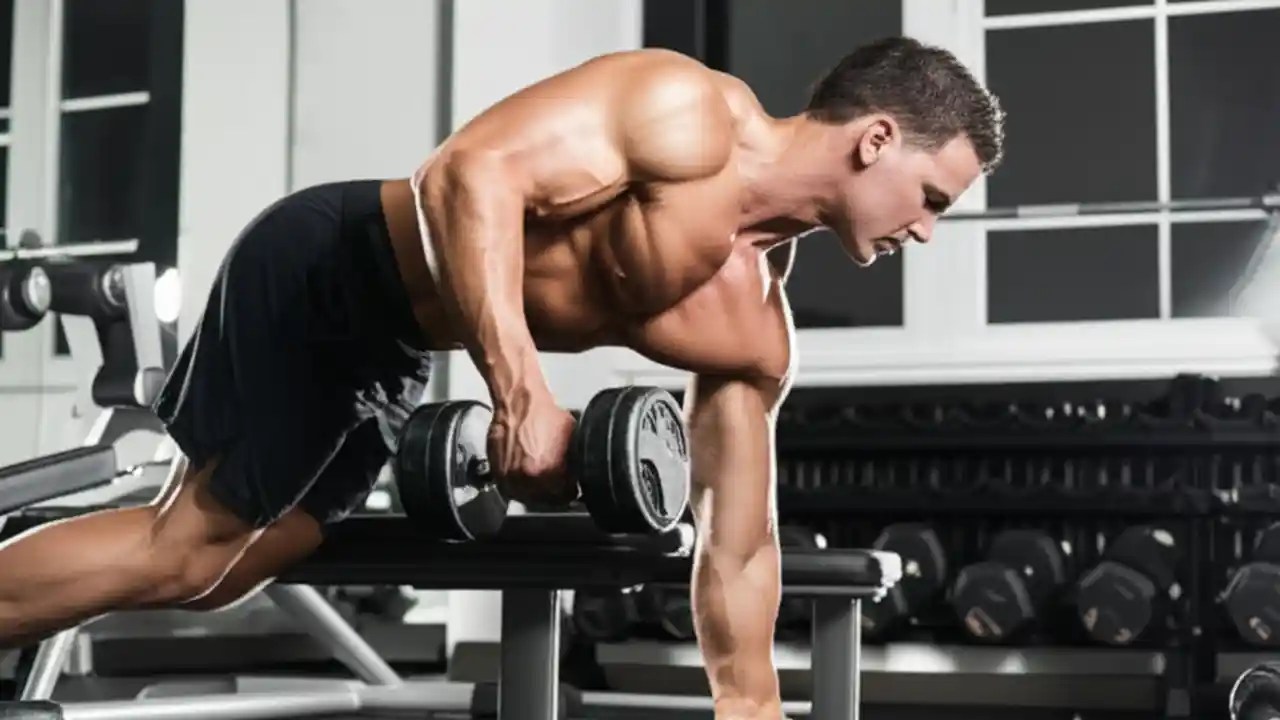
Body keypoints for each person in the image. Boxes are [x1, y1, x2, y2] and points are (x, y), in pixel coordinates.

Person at [0, 36, 1002, 719]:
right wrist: (520, 392)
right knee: (186, 545)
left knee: (224, 575)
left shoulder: (754, 331)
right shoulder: (686, 114)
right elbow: (467, 174)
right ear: (874, 139)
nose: (923, 227)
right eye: (929, 197)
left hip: (395, 350)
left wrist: (750, 707)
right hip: (331, 263)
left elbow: (738, 548)